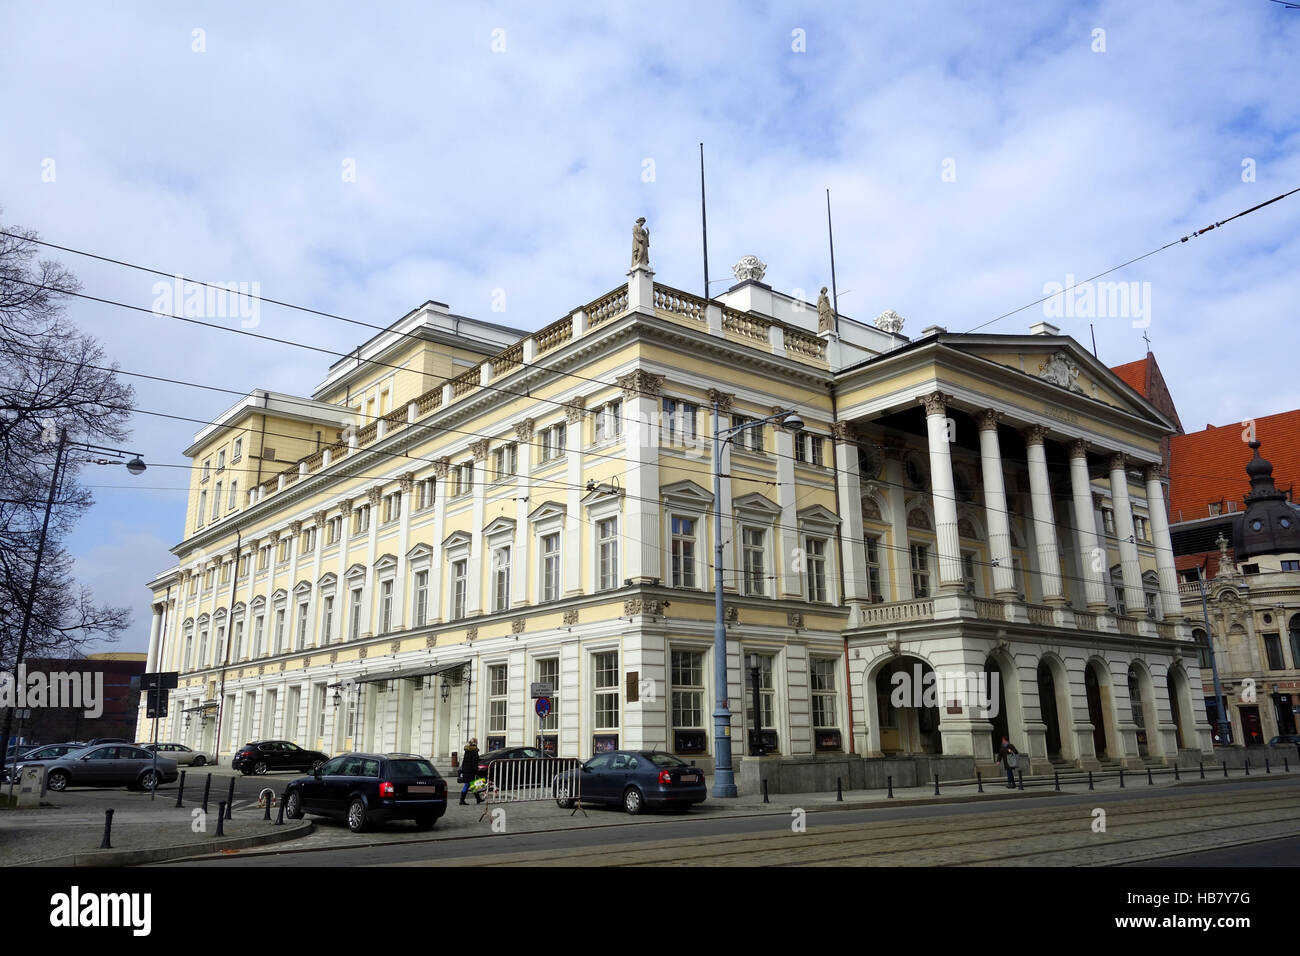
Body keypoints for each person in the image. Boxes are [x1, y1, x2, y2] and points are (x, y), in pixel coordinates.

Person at [459, 738, 482, 805]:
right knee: (470, 784)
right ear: (475, 743)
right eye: (477, 741)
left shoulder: (467, 750)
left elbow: (464, 761)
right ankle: (462, 800)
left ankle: (478, 799)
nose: (477, 742)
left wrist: (462, 770)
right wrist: (476, 771)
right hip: (471, 770)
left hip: (465, 769)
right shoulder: (474, 751)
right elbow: (474, 762)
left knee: (470, 784)